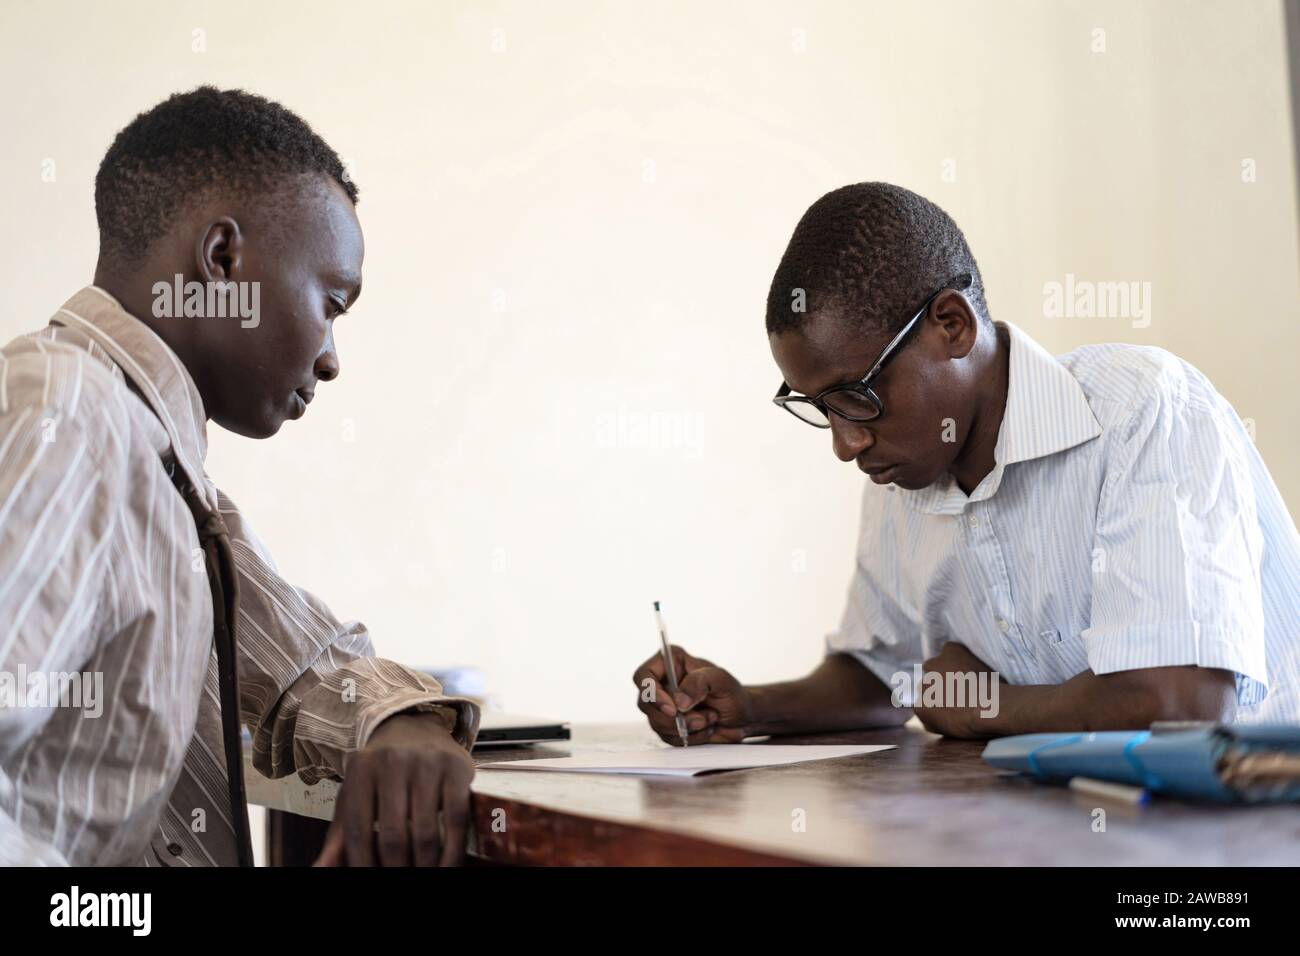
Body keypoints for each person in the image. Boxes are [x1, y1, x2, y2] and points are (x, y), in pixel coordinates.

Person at [0, 87, 479, 866]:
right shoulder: (72, 416)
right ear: (222, 259)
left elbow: (299, 662)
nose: (329, 357)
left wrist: (403, 717)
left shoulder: (159, 470)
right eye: (331, 303)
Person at [634, 182, 1300, 743]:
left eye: (855, 398)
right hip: (1073, 829)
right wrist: (747, 707)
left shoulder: (1142, 411)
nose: (845, 443)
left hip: (1242, 840)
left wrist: (983, 705)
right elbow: (881, 676)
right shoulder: (902, 467)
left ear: (951, 325)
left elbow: (1179, 704)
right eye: (820, 409)